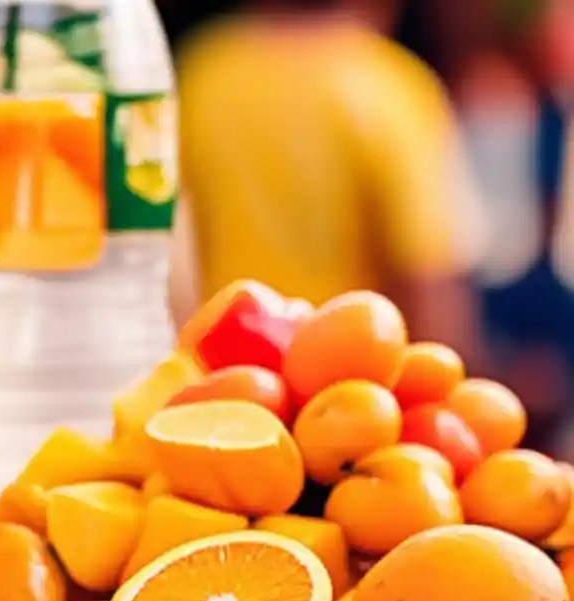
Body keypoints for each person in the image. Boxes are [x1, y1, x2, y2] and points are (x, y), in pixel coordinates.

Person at [173, 0, 485, 360]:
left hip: (229, 373)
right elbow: (429, 274)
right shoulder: (388, 86)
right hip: (350, 382)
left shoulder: (203, 72)